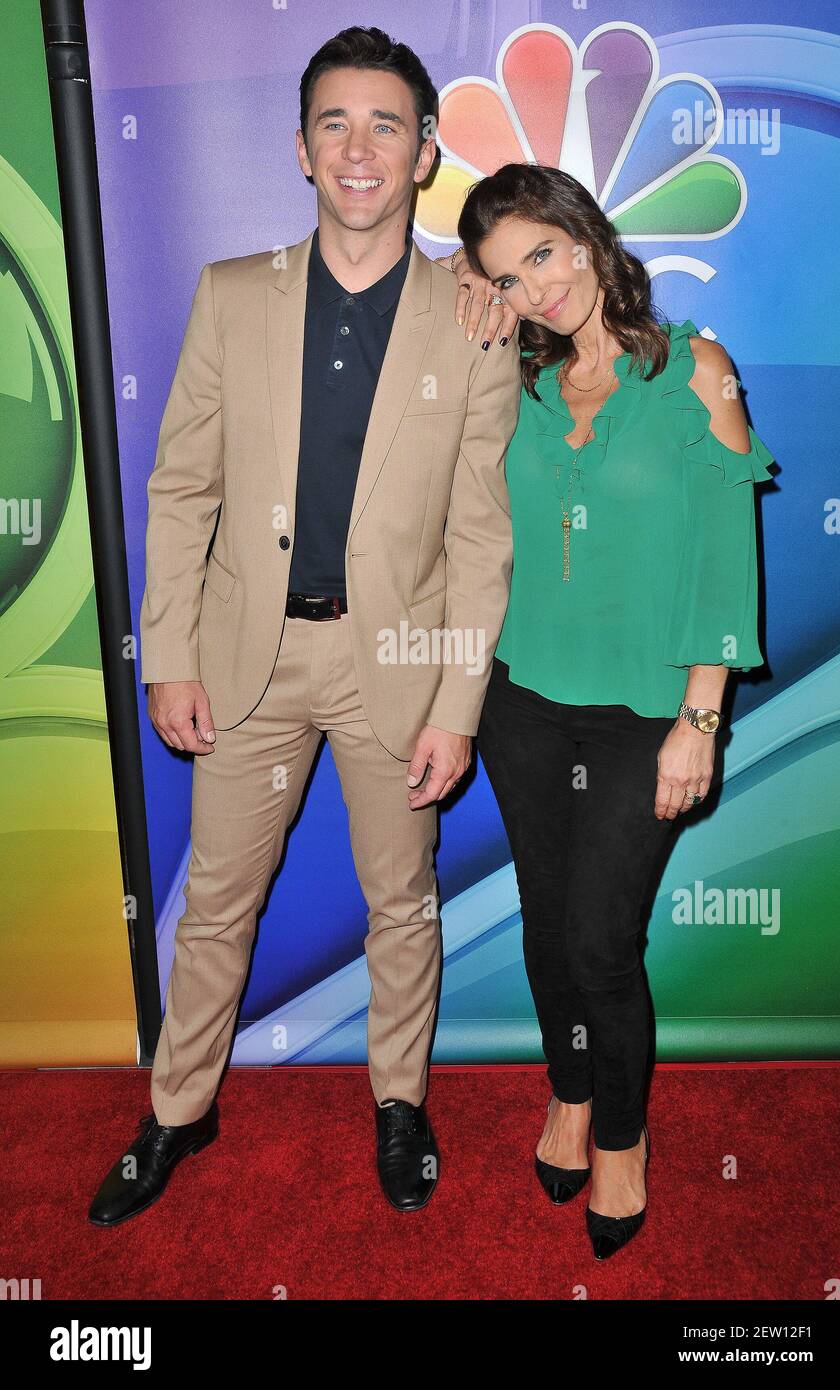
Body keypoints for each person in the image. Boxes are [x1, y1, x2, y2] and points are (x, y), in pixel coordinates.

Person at [88, 27, 520, 1227]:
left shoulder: (474, 319)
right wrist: (167, 655)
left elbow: (481, 537)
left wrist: (454, 700)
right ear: (298, 148)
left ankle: (398, 1102)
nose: (359, 147)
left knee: (404, 901)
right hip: (247, 660)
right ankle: (178, 1108)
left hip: (399, 659)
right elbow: (181, 491)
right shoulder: (230, 296)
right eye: (334, 122)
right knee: (218, 900)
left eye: (386, 123)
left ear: (425, 150)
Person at [439, 162, 776, 1259]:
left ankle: (620, 1139)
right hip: (522, 702)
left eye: (541, 252)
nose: (532, 287)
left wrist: (701, 717)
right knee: (545, 927)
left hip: (645, 714)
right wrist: (457, 300)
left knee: (598, 937)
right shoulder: (511, 382)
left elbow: (728, 555)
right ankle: (570, 1092)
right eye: (504, 274)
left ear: (583, 238)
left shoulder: (697, 373)